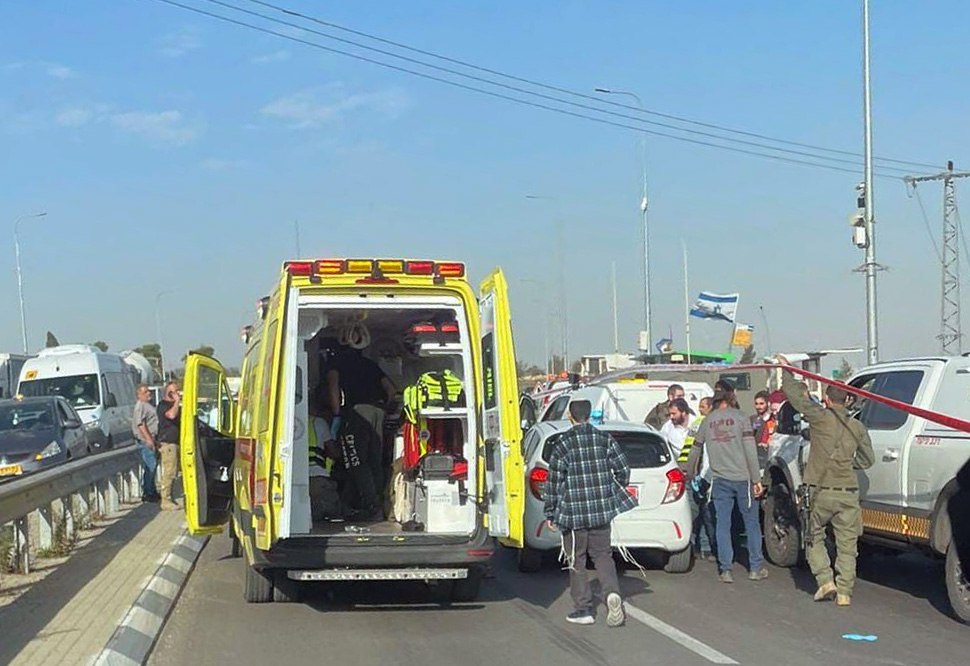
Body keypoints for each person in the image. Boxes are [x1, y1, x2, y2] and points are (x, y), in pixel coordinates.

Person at [779, 358, 875, 607]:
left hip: (820, 492)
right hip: (848, 492)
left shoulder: (819, 418)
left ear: (827, 399)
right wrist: (846, 465)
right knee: (847, 545)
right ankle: (845, 591)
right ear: (848, 400)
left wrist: (788, 372)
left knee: (814, 537)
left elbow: (797, 398)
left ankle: (825, 581)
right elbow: (867, 460)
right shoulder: (858, 426)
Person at [544, 400, 636, 627]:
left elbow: (554, 480)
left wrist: (550, 512)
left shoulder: (563, 443)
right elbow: (623, 469)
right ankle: (612, 594)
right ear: (589, 415)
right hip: (600, 510)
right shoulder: (604, 439)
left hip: (573, 513)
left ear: (570, 416)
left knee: (577, 560)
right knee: (603, 555)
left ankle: (583, 609)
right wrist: (614, 486)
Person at [686, 391, 767, 583]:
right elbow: (750, 449)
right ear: (731, 401)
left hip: (720, 480)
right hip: (744, 478)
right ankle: (755, 568)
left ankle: (725, 569)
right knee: (752, 523)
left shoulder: (708, 420)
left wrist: (689, 472)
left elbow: (695, 448)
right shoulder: (741, 418)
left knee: (723, 523)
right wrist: (757, 479)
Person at [326, 339, 396, 497]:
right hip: (378, 411)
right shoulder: (369, 364)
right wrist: (386, 407)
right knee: (375, 459)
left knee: (355, 459)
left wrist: (337, 415)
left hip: (357, 412)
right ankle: (378, 502)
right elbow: (391, 390)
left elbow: (333, 389)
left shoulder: (336, 364)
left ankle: (368, 502)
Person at [685, 397, 716, 560]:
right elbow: (690, 448)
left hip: (706, 474)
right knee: (697, 512)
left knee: (706, 513)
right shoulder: (699, 423)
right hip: (698, 474)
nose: (700, 410)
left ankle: (704, 546)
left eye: (703, 407)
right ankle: (695, 545)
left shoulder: (713, 424)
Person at [308, 391, 343, 522]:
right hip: (319, 479)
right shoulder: (319, 423)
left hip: (295, 481)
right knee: (333, 516)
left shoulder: (289, 423)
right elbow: (334, 453)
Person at [132, 384, 160, 503]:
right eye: (145, 392)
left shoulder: (147, 405)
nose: (149, 393)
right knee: (150, 466)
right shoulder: (140, 406)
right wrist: (148, 439)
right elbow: (140, 424)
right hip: (145, 441)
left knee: (152, 466)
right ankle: (148, 492)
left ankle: (152, 490)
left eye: (149, 391)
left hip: (151, 438)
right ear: (139, 395)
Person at [156, 381, 181, 511]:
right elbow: (171, 415)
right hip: (168, 443)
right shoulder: (163, 406)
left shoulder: (174, 406)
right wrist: (177, 402)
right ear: (169, 393)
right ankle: (165, 500)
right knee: (169, 472)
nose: (177, 393)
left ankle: (170, 497)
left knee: (175, 471)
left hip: (175, 443)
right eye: (174, 391)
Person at [751, 390, 772, 468]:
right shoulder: (753, 419)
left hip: (770, 452)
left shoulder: (773, 419)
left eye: (761, 404)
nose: (758, 407)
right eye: (756, 404)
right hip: (757, 454)